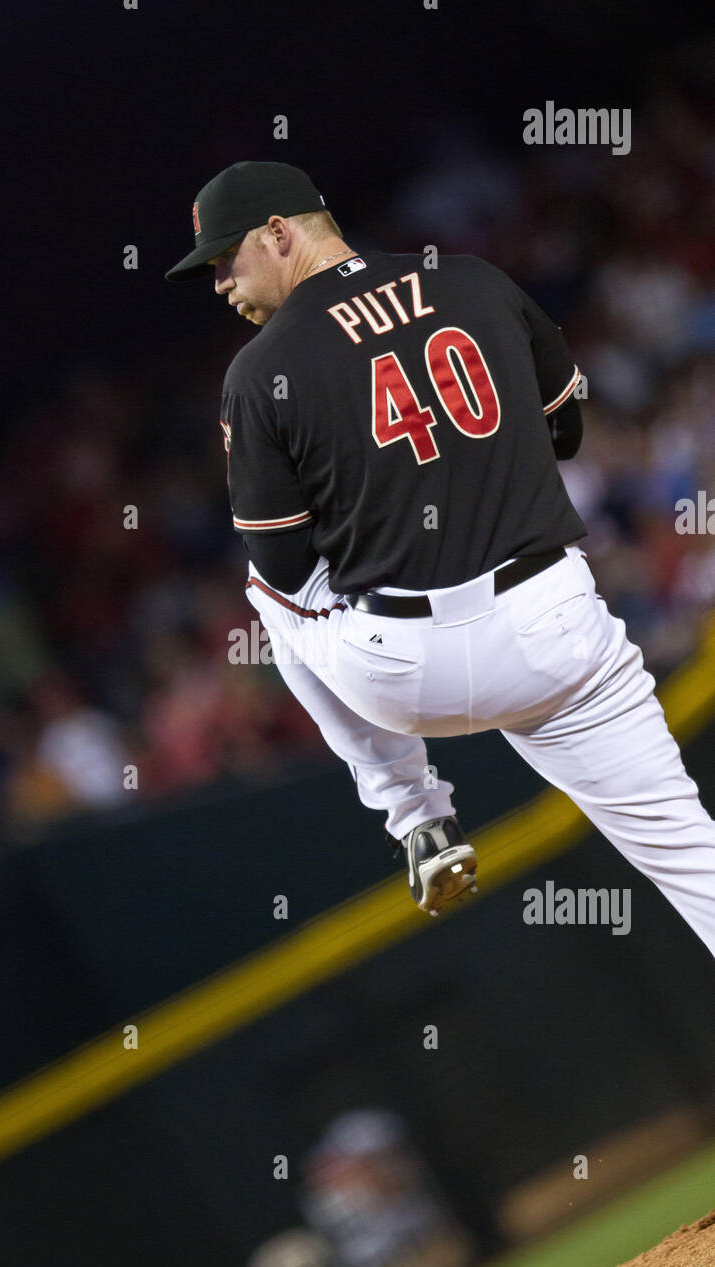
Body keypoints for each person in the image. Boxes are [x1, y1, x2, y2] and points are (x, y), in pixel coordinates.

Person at [166, 161, 715, 947]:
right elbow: (566, 432)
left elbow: (286, 567)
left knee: (262, 594)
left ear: (280, 232)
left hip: (405, 671)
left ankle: (415, 814)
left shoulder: (258, 374)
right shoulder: (471, 280)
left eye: (225, 259)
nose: (219, 282)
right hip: (556, 633)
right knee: (694, 853)